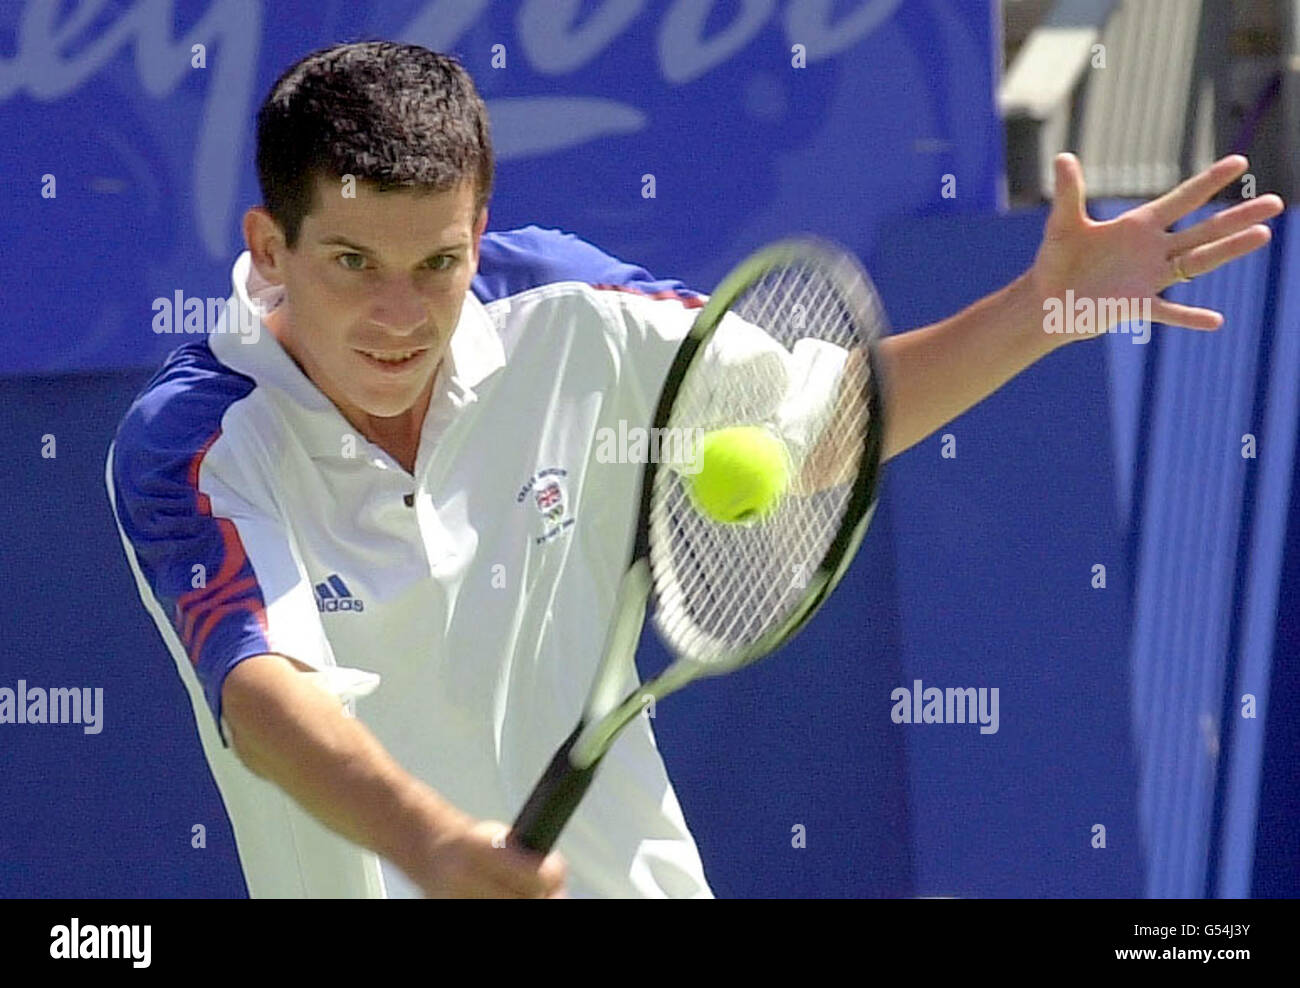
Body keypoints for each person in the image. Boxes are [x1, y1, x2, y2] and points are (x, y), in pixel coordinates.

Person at [106, 41, 1283, 898]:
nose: (400, 315)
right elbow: (265, 697)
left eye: (441, 262)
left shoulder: (572, 312)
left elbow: (825, 428)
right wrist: (430, 846)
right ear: (271, 246)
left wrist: (1042, 305)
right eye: (354, 261)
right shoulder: (198, 442)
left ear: (482, 230)